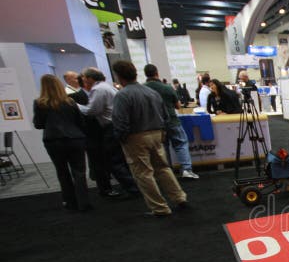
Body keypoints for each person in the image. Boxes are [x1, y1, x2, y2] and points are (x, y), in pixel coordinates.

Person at [111, 60, 188, 217]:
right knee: (163, 168)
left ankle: (160, 208)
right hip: (157, 134)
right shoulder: (151, 93)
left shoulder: (123, 95)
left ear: (119, 76)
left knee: (143, 173)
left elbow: (120, 121)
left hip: (136, 137)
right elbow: (166, 115)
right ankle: (179, 197)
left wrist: (121, 138)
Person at [32, 74, 90, 211]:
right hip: (75, 139)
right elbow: (80, 122)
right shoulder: (70, 102)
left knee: (62, 172)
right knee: (80, 172)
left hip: (53, 141)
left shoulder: (40, 103)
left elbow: (38, 124)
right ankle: (84, 202)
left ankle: (70, 202)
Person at [79, 67, 139, 197]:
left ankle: (132, 188)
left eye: (84, 78)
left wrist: (75, 105)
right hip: (116, 126)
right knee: (120, 159)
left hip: (111, 128)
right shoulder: (107, 87)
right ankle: (134, 186)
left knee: (114, 161)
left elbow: (91, 111)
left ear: (90, 78)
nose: (83, 81)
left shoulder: (98, 89)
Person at [144, 64, 199, 179]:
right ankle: (186, 170)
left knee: (163, 148)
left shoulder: (143, 89)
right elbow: (178, 106)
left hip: (154, 125)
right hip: (172, 121)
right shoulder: (167, 88)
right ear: (157, 73)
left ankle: (167, 172)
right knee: (181, 144)